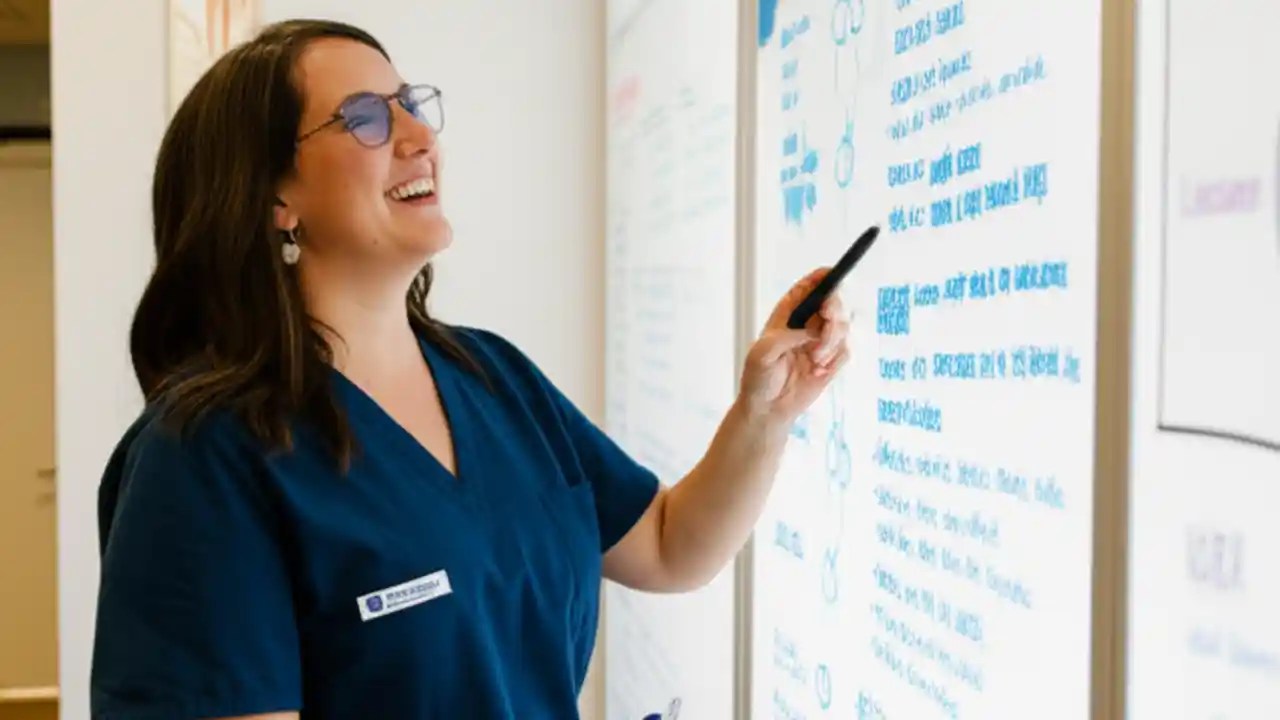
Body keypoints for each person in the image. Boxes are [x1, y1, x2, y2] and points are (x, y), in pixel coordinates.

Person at [89, 18, 851, 720]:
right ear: (272, 198)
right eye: (367, 117)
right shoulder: (203, 457)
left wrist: (766, 411)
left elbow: (667, 543)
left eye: (411, 104)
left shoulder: (493, 378)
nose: (420, 137)